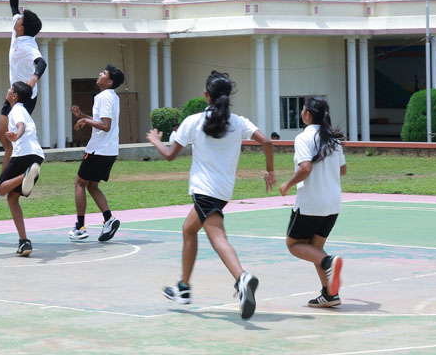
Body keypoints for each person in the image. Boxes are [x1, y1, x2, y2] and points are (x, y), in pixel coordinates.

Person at [147, 71, 275, 319]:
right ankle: (183, 288)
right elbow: (267, 142)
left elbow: (170, 154)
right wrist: (269, 169)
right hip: (223, 191)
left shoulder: (194, 121)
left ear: (206, 95)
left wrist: (155, 140)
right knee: (188, 229)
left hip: (205, 190)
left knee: (217, 238)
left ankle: (242, 277)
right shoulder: (238, 122)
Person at [0, 0, 47, 203]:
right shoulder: (17, 32)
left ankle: (3, 182)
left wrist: (34, 77)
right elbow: (13, 5)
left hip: (26, 95)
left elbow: (42, 63)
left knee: (13, 138)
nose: (16, 17)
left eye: (19, 18)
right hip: (14, 92)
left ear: (22, 27)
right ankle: (14, 174)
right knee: (2, 134)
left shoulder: (29, 45)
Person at [278, 96, 347, 307]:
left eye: (302, 109)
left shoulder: (303, 138)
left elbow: (305, 168)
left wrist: (287, 184)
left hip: (311, 204)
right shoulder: (333, 140)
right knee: (316, 248)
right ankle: (329, 294)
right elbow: (342, 170)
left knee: (293, 245)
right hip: (333, 204)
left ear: (307, 114)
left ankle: (329, 262)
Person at [68, 64, 125, 242]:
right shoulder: (112, 96)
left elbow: (105, 126)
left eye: (103, 73)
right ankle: (109, 219)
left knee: (79, 183)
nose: (99, 74)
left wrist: (85, 119)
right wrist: (82, 115)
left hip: (98, 150)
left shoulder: (103, 97)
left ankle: (80, 227)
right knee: (92, 186)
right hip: (108, 150)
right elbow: (102, 121)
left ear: (109, 82)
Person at [0, 81, 45, 257]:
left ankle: (26, 176)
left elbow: (21, 126)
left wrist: (17, 135)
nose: (7, 91)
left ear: (14, 95)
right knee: (12, 197)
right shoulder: (23, 109)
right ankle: (24, 242)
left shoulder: (15, 110)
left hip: (23, 154)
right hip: (37, 156)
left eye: (10, 89)